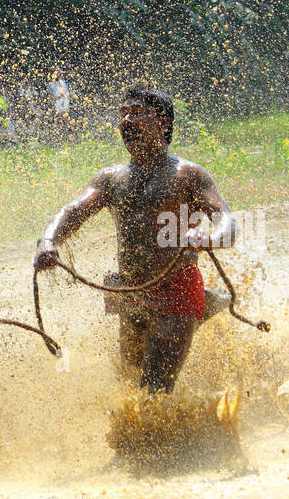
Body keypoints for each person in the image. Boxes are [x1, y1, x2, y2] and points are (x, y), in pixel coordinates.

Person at [33, 84, 238, 393]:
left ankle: (202, 304)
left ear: (164, 123)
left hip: (176, 294)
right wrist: (48, 241)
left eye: (138, 113)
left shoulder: (188, 175)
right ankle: (210, 303)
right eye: (123, 114)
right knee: (130, 383)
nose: (127, 121)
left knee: (154, 390)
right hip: (130, 292)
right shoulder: (110, 179)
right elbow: (74, 210)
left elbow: (228, 220)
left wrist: (208, 237)